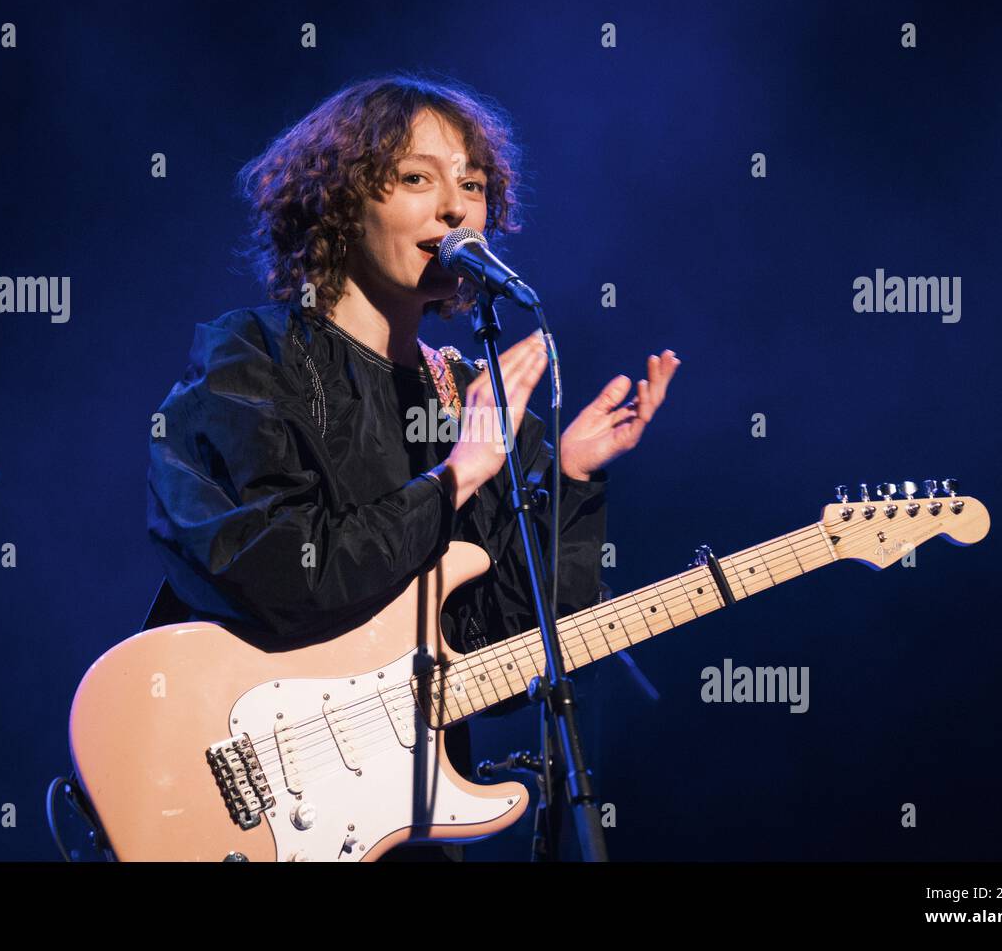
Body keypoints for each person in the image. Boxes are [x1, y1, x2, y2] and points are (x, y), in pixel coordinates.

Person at [145, 74, 678, 860]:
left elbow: (504, 648)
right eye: (417, 178)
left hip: (405, 815)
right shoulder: (248, 360)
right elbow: (281, 575)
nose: (456, 207)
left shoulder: (471, 398)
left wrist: (566, 476)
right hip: (239, 794)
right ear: (338, 202)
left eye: (473, 184)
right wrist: (457, 476)